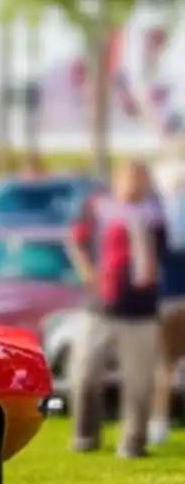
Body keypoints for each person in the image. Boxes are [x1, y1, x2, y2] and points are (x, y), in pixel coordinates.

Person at [67, 159, 165, 458]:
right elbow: (76, 241)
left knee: (139, 382)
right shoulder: (97, 208)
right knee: (84, 373)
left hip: (140, 310)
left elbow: (162, 255)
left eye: (142, 178)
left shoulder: (154, 216)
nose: (136, 184)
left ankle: (133, 442)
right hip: (100, 307)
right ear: (118, 180)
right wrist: (90, 274)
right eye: (130, 177)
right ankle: (85, 436)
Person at [150, 169, 185, 444]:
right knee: (166, 365)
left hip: (167, 299)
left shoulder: (160, 215)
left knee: (165, 365)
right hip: (171, 299)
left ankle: (158, 423)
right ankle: (158, 422)